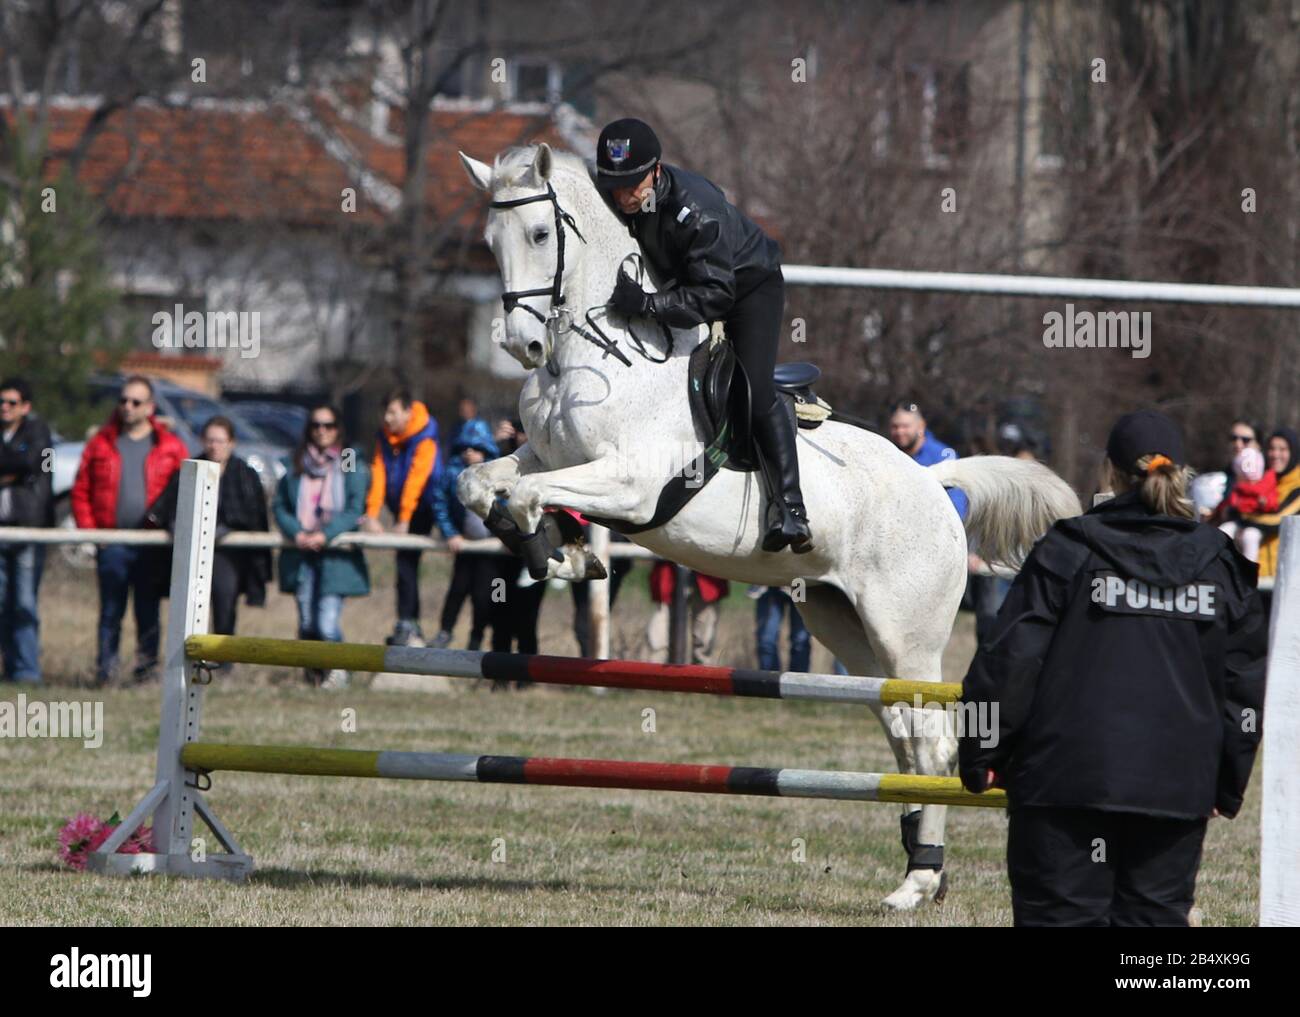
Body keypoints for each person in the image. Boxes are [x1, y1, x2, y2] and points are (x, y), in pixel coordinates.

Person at [959, 409, 1268, 927]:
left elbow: (1004, 661)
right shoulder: (1221, 563)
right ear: (1182, 476)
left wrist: (979, 754)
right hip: (1175, 790)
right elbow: (1245, 691)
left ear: (1111, 473)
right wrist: (1228, 783)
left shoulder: (1068, 548)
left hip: (1062, 786)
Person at [595, 117, 811, 554]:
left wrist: (651, 306)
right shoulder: (623, 196)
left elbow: (714, 296)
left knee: (752, 387)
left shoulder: (697, 208)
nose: (622, 197)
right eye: (613, 185)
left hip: (746, 289)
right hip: (682, 286)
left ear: (656, 171)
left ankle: (792, 507)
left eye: (632, 184)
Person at [71, 376, 186, 686]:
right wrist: (93, 534)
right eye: (123, 400)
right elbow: (81, 490)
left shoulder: (170, 447)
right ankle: (106, 672)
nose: (127, 407)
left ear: (150, 407)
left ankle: (146, 672)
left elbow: (182, 494)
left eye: (136, 402)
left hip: (152, 545)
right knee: (111, 611)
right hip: (112, 543)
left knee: (147, 610)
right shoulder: (100, 443)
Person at [147, 417, 272, 645]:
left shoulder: (244, 474)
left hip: (228, 555)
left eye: (220, 441)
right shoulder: (190, 470)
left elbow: (255, 520)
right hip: (191, 553)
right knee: (190, 609)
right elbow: (166, 510)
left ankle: (223, 662)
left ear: (231, 443)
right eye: (210, 440)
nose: (215, 445)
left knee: (224, 603)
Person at [273, 405, 370, 689]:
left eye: (328, 425)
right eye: (316, 425)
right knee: (306, 621)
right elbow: (279, 505)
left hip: (336, 556)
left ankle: (338, 673)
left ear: (338, 429)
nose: (322, 431)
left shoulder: (351, 463)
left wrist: (325, 535)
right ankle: (314, 677)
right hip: (301, 554)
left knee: (327, 622)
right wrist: (297, 532)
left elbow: (354, 509)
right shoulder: (296, 463)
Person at [359, 388, 441, 648]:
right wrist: (372, 514)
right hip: (400, 508)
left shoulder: (425, 436)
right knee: (405, 565)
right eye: (385, 412)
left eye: (393, 412)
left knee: (406, 563)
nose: (387, 417)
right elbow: (379, 474)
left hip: (425, 507)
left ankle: (409, 622)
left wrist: (404, 519)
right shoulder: (385, 438)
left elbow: (417, 479)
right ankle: (408, 621)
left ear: (408, 411)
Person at [429, 416, 501, 650]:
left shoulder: (498, 473)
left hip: (490, 549)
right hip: (463, 544)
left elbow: (509, 506)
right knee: (457, 590)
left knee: (484, 596)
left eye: (476, 448)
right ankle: (445, 631)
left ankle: (477, 637)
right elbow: (438, 502)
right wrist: (450, 533)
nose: (469, 452)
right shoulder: (452, 473)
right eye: (464, 448)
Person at [0, 378, 53, 684]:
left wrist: (17, 468)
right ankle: (9, 669)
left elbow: (32, 461)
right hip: (2, 532)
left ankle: (27, 672)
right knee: (2, 604)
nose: (5, 408)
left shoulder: (38, 431)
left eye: (11, 402)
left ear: (26, 407)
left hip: (27, 530)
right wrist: (14, 470)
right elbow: (19, 464)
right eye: (1, 402)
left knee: (23, 603)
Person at [887, 400, 968, 519]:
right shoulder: (890, 455)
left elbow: (957, 505)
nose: (899, 432)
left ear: (921, 426)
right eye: (895, 426)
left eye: (905, 426)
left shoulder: (943, 456)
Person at [1241, 426, 1300, 580]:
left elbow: (1279, 520)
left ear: (1293, 452)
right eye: (1272, 449)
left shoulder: (1298, 485)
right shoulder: (1263, 480)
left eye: (1283, 449)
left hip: (1286, 580)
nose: (1275, 454)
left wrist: (1242, 517)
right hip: (1258, 575)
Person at [645, 563, 728, 666]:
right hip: (669, 573)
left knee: (703, 645)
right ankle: (656, 679)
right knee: (658, 641)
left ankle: (700, 679)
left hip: (707, 577)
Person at [1213, 445, 1276, 562]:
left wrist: (1265, 503)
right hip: (1239, 521)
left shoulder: (1266, 484)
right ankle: (1220, 565)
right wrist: (1223, 510)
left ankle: (1248, 569)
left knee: (1250, 536)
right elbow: (1229, 502)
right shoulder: (1238, 487)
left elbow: (1273, 503)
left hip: (1257, 523)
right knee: (1224, 531)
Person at [751, 585, 810, 673]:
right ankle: (771, 684)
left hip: (800, 583)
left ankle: (798, 685)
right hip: (768, 582)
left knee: (800, 642)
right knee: (766, 642)